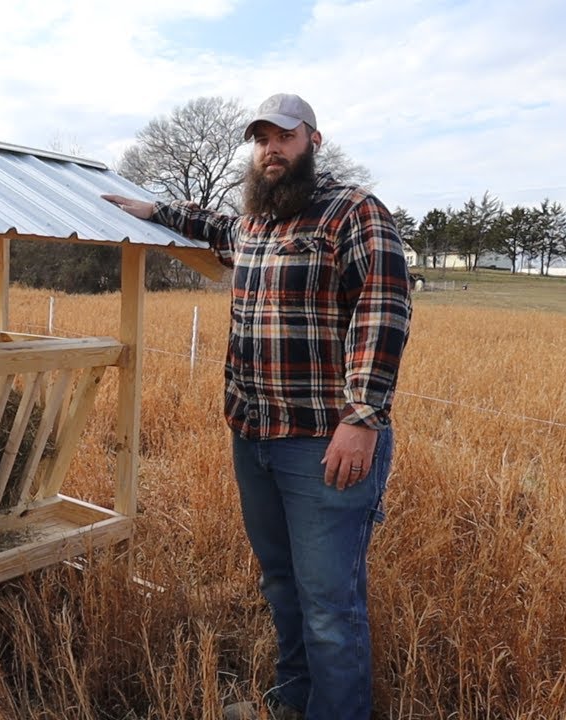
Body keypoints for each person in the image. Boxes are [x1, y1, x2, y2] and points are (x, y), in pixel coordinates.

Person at [103, 93, 411, 720]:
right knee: (282, 585)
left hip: (324, 444)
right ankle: (293, 701)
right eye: (262, 138)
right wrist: (152, 210)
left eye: (285, 137)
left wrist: (362, 418)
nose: (272, 149)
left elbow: (384, 311)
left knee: (330, 603)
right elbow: (212, 226)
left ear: (313, 143)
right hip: (254, 436)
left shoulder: (352, 211)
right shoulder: (254, 222)